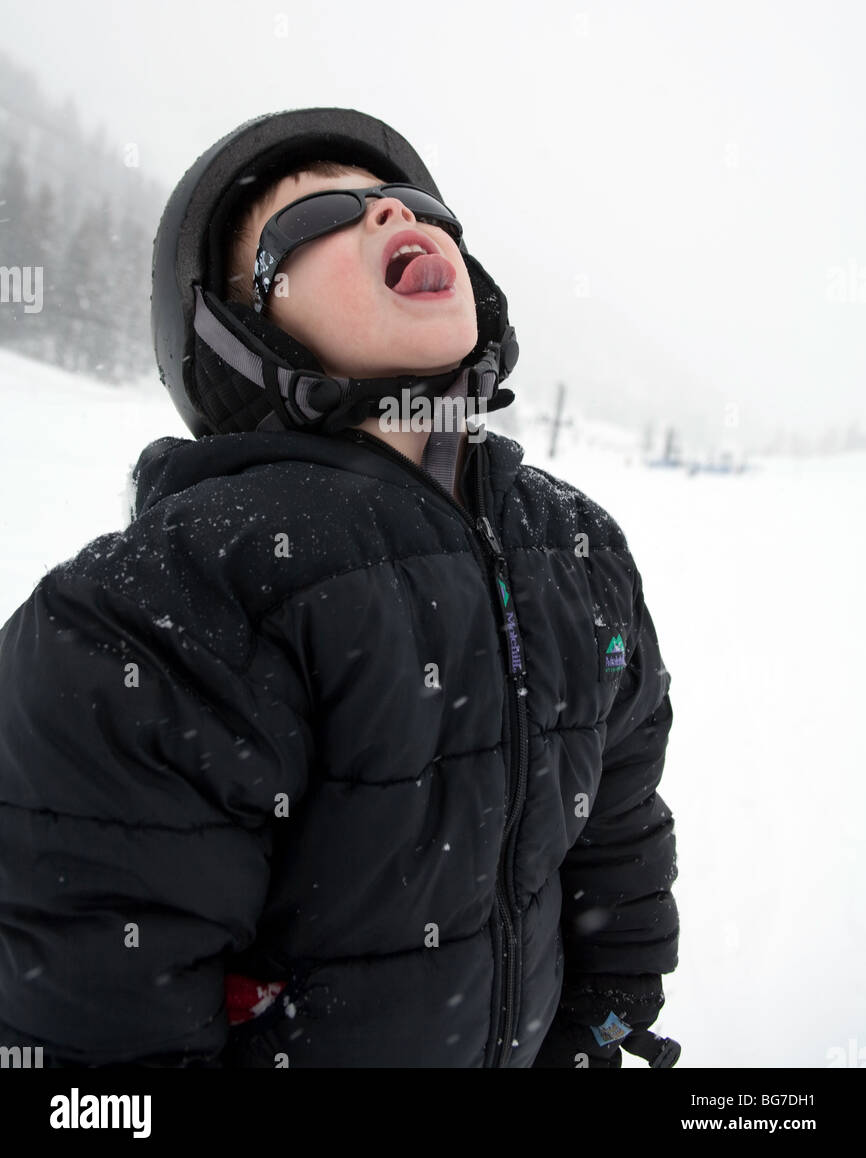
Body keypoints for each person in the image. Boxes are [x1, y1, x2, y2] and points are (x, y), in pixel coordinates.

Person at [0, 106, 680, 1068]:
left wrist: (604, 1027)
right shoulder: (161, 606)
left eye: (410, 202)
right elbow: (101, 1035)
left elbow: (618, 830)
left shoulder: (579, 549)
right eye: (316, 217)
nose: (391, 218)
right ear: (235, 333)